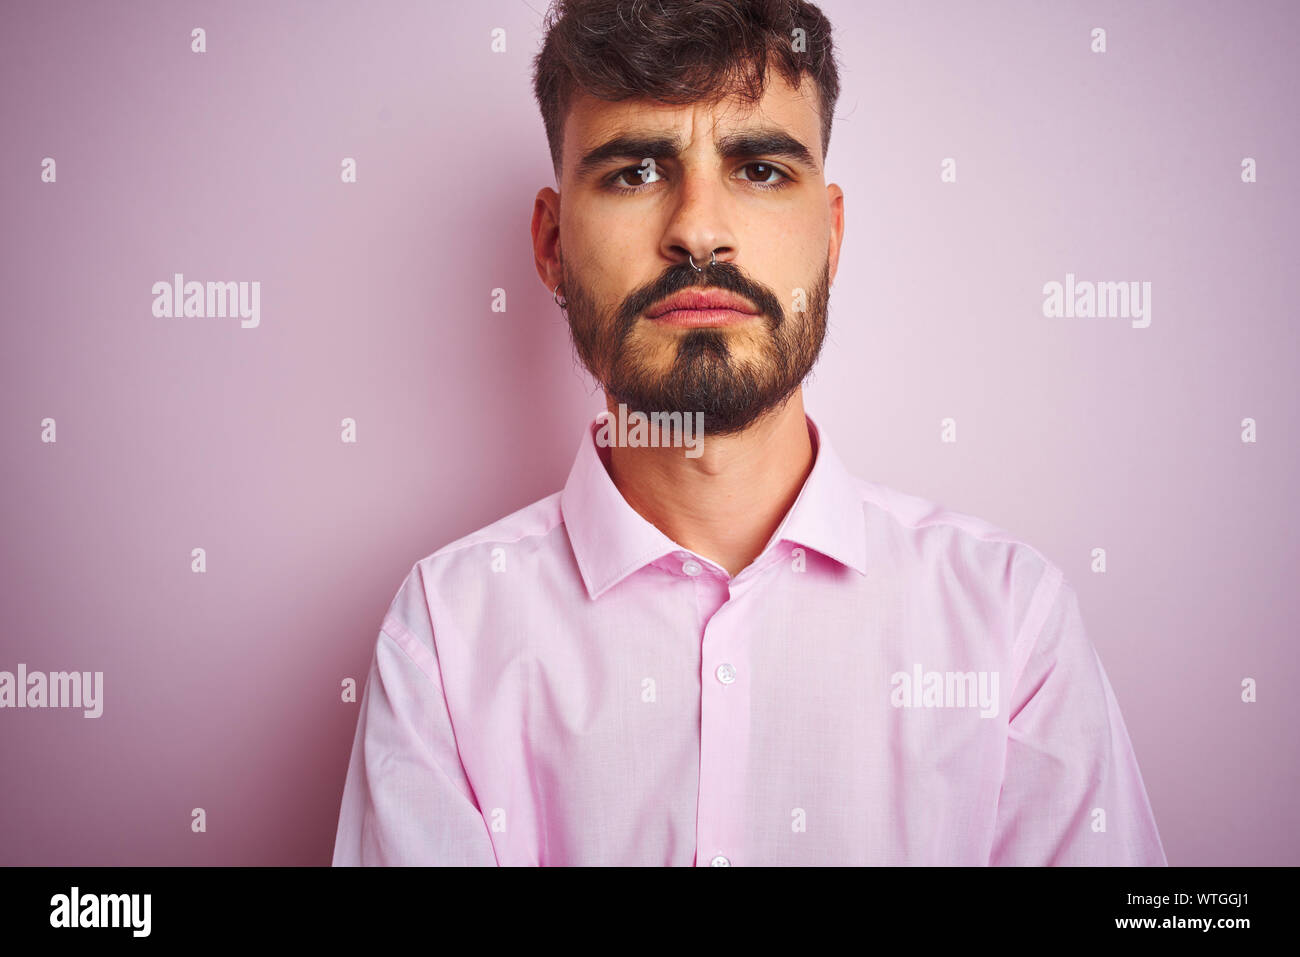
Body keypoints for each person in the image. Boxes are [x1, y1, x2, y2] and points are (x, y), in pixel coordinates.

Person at [332, 0, 1167, 866]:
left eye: (761, 168)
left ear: (832, 236)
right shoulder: (443, 635)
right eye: (634, 172)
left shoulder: (1009, 622)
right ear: (550, 244)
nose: (699, 230)